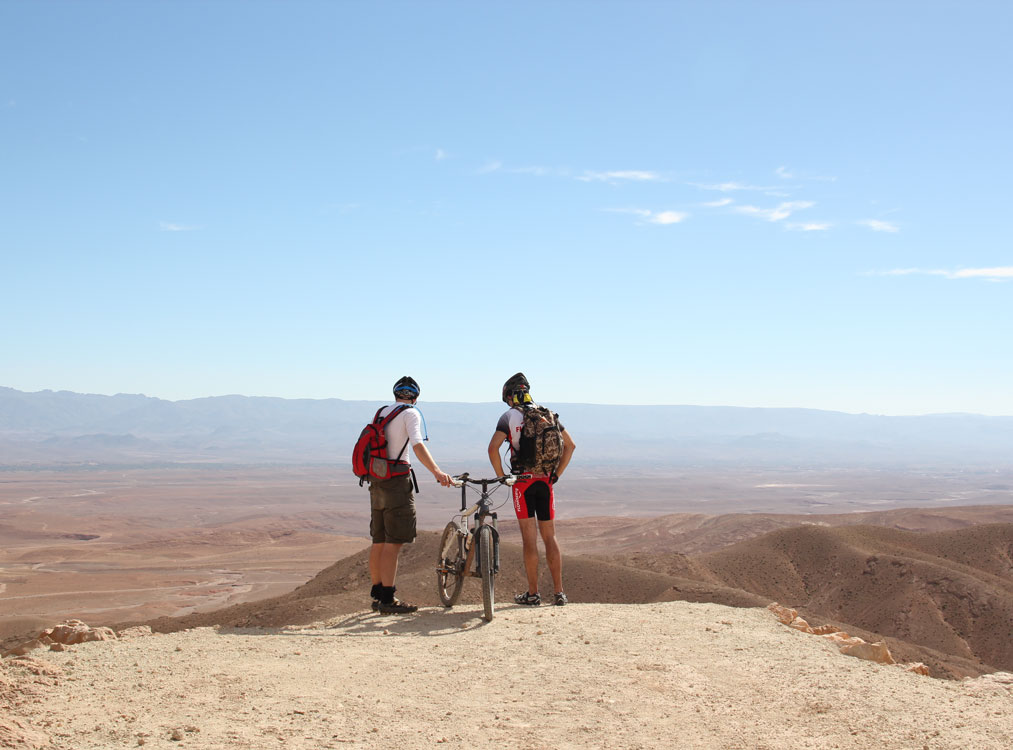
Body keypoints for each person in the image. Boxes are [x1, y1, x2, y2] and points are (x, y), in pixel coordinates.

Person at [488, 373, 576, 607]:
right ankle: (559, 593)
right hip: (546, 482)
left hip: (523, 483)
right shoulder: (548, 415)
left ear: (509, 396)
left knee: (529, 539)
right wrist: (557, 474)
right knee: (550, 537)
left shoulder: (509, 416)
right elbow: (571, 445)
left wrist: (503, 477)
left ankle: (533, 594)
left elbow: (493, 448)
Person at [368, 376, 453, 614]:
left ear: (395, 393)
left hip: (377, 479)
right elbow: (417, 444)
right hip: (396, 481)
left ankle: (377, 594)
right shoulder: (411, 413)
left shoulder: (382, 412)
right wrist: (437, 472)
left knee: (380, 539)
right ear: (415, 397)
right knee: (393, 542)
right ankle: (388, 598)